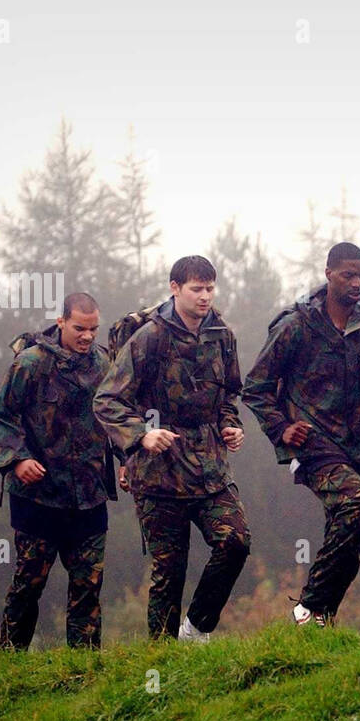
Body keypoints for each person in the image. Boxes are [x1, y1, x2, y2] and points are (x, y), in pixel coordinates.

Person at [241, 242, 360, 627]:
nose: (356, 283)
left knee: (350, 546)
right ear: (328, 274)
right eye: (348, 275)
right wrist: (282, 429)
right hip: (314, 445)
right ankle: (307, 607)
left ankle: (321, 621)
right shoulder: (297, 325)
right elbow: (255, 386)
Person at [94, 256, 250, 643]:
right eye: (196, 289)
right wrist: (141, 434)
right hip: (158, 474)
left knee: (235, 542)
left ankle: (196, 628)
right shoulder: (150, 337)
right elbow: (107, 400)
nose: (205, 296)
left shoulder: (222, 336)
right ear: (174, 288)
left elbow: (230, 393)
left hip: (210, 469)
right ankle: (160, 659)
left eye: (210, 288)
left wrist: (231, 424)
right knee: (170, 572)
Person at [0, 292, 116, 650]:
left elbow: (117, 417)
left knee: (88, 587)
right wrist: (17, 459)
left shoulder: (104, 365)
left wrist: (129, 462)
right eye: (79, 328)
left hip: (89, 496)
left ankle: (84, 667)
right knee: (29, 584)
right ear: (60, 322)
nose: (87, 336)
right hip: (38, 497)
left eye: (93, 329)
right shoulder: (30, 363)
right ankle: (10, 663)